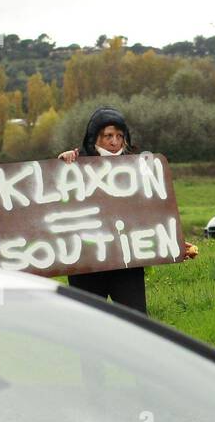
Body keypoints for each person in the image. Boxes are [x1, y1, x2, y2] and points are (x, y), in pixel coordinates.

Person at [57, 107, 197, 313]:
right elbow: (51, 198)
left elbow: (151, 214)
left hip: (126, 265)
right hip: (87, 264)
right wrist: (62, 161)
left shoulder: (138, 169)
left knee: (137, 320)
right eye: (108, 136)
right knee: (88, 324)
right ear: (94, 137)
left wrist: (171, 242)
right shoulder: (76, 164)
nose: (114, 142)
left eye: (119, 136)